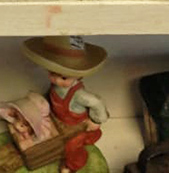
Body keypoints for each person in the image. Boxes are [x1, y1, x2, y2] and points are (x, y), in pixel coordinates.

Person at [22, 36, 109, 173]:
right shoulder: (57, 86)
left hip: (74, 124)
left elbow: (96, 102)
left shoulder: (79, 95)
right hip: (57, 118)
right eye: (52, 74)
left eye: (63, 77)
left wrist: (96, 121)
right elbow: (52, 95)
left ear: (78, 76)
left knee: (72, 147)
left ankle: (72, 166)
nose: (56, 80)